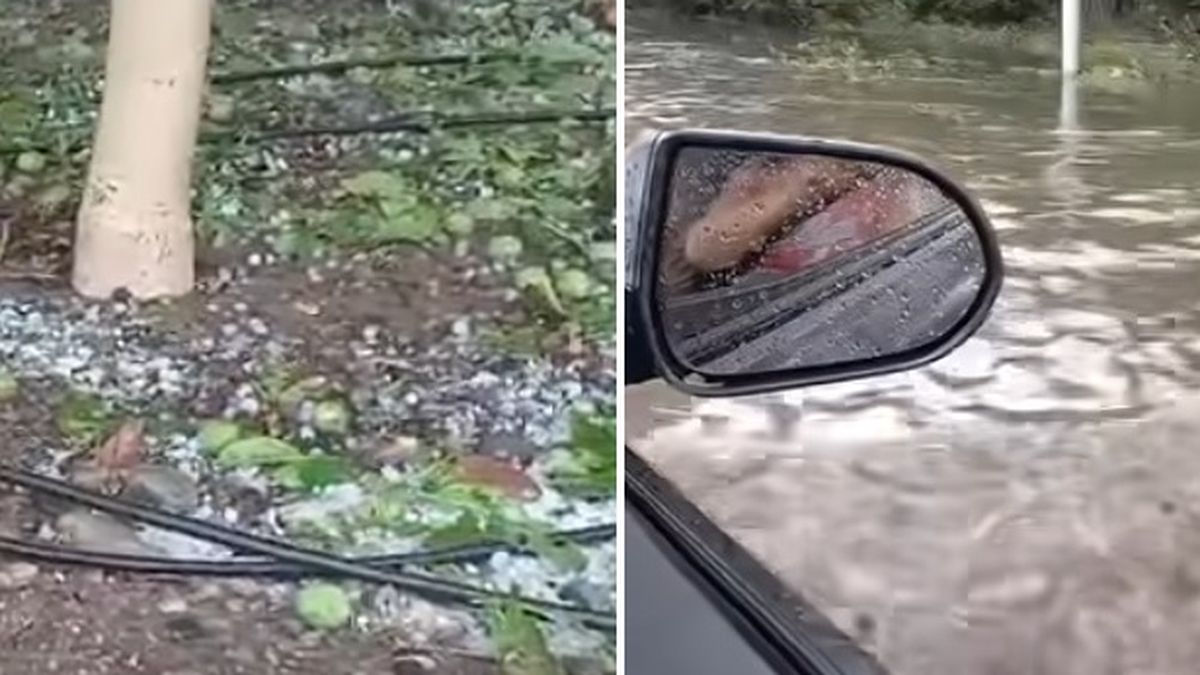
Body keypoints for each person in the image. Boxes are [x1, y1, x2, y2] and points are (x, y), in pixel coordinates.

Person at [661, 153, 946, 293]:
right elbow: (705, 250)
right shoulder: (760, 174)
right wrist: (800, 186)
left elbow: (897, 264)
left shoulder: (891, 183)